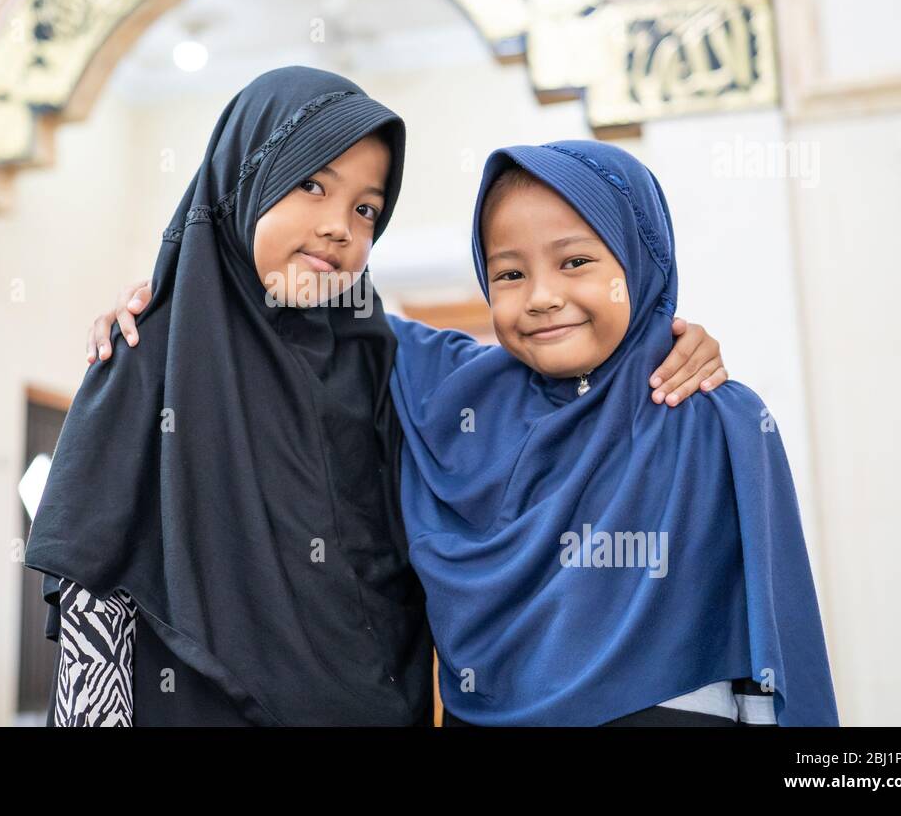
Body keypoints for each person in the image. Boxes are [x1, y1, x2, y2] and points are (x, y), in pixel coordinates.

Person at [56, 70, 730, 726]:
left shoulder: (385, 355)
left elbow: (548, 368)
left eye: (366, 208)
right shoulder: (144, 360)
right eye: (311, 183)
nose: (338, 226)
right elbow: (93, 595)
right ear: (242, 180)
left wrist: (661, 342)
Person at [388, 140, 838, 726]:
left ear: (639, 260)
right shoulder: (456, 402)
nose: (542, 297)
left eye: (575, 262)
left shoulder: (710, 419)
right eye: (510, 273)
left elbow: (774, 630)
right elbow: (315, 310)